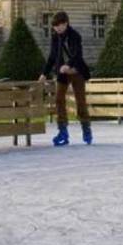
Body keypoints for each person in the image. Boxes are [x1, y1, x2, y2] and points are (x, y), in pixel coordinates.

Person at [38, 11, 92, 146]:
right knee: (59, 99)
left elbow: (77, 54)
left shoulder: (75, 36)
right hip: (62, 73)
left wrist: (68, 65)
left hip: (76, 71)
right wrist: (44, 73)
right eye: (54, 26)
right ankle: (63, 130)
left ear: (65, 24)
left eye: (59, 25)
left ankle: (86, 128)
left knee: (80, 101)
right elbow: (52, 56)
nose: (56, 28)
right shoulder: (55, 37)